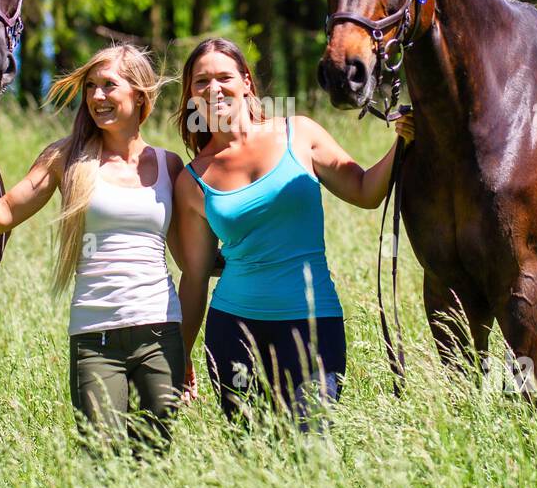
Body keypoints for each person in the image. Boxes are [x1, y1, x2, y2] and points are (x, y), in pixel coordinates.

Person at [0, 44, 186, 450]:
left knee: (156, 458)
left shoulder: (169, 165)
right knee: (102, 464)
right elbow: (1, 215)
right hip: (97, 339)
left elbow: (188, 256)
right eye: (90, 87)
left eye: (108, 86)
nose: (96, 97)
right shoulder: (67, 157)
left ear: (139, 94)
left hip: (161, 333)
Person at [172, 38, 413, 429]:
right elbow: (195, 279)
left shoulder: (298, 133)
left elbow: (366, 190)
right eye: (201, 82)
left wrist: (401, 140)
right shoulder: (193, 179)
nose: (213, 89)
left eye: (223, 77)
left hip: (314, 326)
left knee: (311, 444)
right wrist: (180, 356)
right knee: (253, 457)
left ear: (246, 81)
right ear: (190, 95)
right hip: (234, 331)